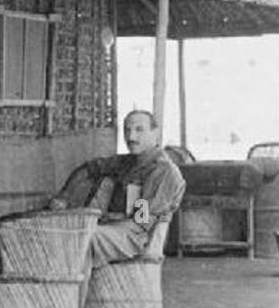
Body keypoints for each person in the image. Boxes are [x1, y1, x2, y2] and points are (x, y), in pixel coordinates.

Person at [50, 109, 186, 284]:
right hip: (115, 228)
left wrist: (108, 218)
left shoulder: (162, 170)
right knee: (66, 234)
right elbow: (87, 169)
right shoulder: (128, 162)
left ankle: (72, 302)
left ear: (155, 133)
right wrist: (64, 196)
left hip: (137, 238)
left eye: (139, 130)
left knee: (82, 238)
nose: (131, 136)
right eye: (127, 130)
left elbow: (141, 220)